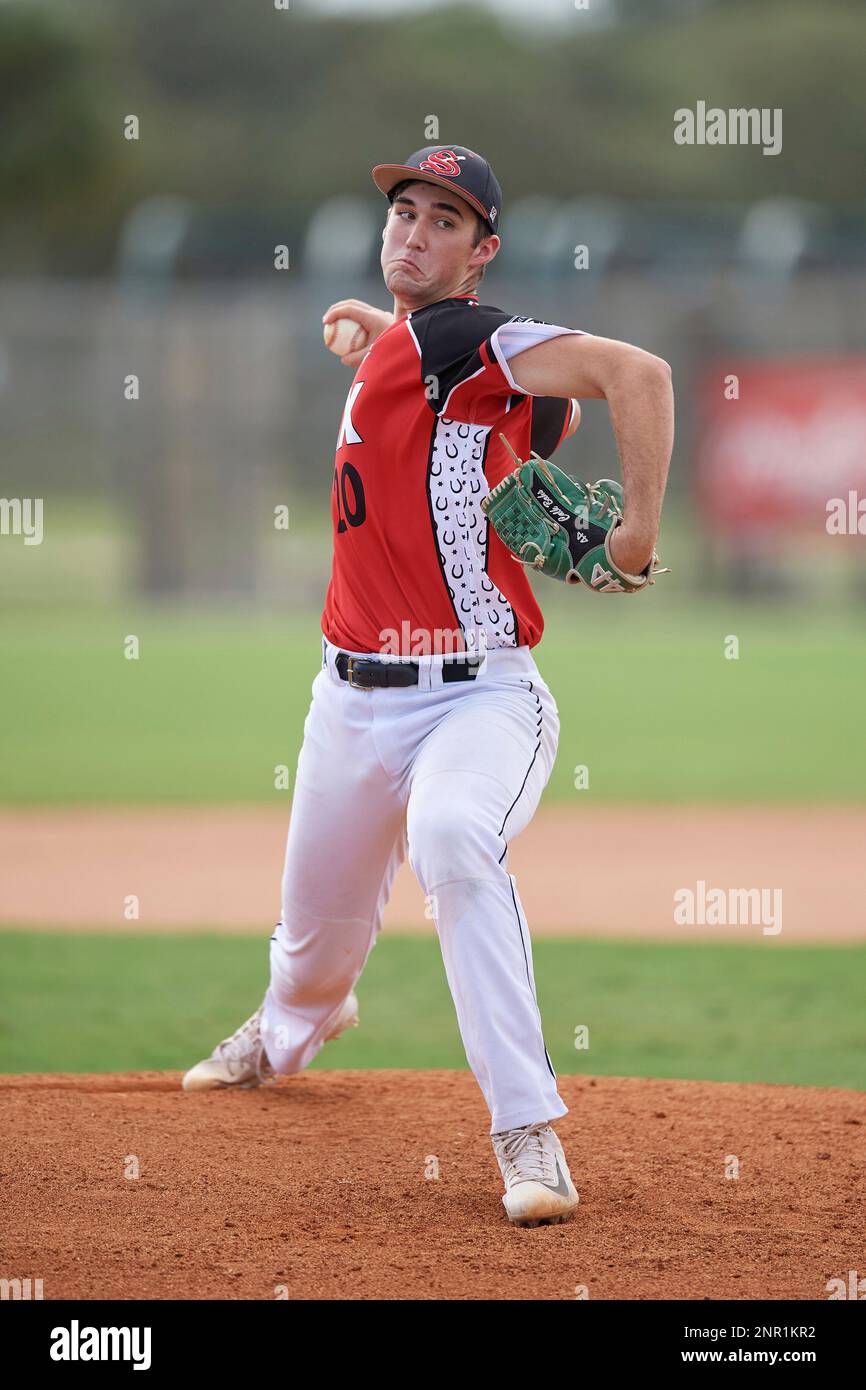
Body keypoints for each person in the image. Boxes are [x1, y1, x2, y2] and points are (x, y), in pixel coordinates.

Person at [183, 145, 673, 1229]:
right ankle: (290, 1025)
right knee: (310, 949)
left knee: (453, 837)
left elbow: (634, 376)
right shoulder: (422, 346)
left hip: (476, 698)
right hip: (347, 698)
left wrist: (636, 526)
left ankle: (522, 1125)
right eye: (404, 209)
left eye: (444, 220)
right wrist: (383, 328)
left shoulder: (460, 336)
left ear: (480, 253)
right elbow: (552, 421)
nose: (413, 229)